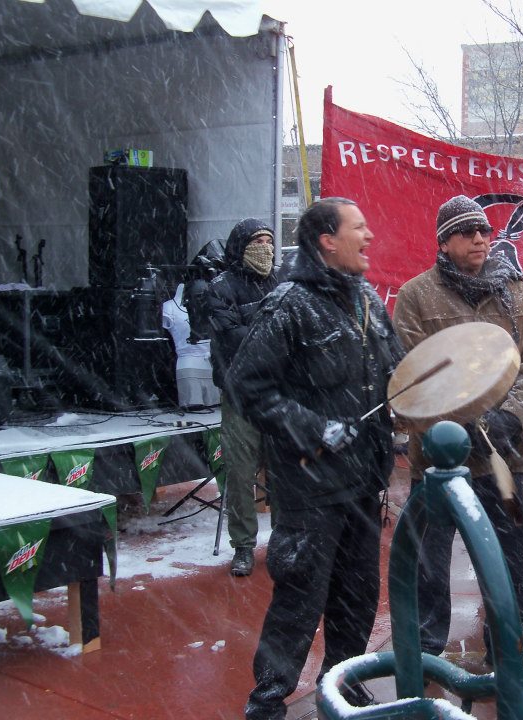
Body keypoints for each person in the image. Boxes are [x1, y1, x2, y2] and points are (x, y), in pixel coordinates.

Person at [226, 198, 403, 719]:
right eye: (359, 228)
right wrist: (312, 427)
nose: (369, 236)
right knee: (299, 604)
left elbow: (394, 376)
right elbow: (246, 386)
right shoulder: (289, 304)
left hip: (363, 485)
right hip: (308, 489)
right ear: (327, 239)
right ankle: (267, 703)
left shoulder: (368, 300)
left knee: (358, 597)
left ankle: (342, 685)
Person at [392, 194, 523, 664]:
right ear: (444, 242)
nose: (480, 238)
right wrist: (464, 427)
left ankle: (506, 642)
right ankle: (427, 652)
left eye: (484, 230)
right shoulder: (416, 296)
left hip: (507, 455)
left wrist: (510, 417)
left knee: (505, 559)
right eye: (466, 232)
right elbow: (414, 377)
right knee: (429, 565)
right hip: (438, 461)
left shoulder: (515, 289)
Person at [207, 219, 279, 576]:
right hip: (240, 396)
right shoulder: (220, 286)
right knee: (239, 473)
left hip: (279, 394)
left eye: (269, 240)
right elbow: (234, 337)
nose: (265, 247)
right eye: (257, 241)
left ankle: (283, 538)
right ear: (240, 246)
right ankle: (244, 546)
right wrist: (271, 324)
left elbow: (292, 329)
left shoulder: (282, 282)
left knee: (283, 470)